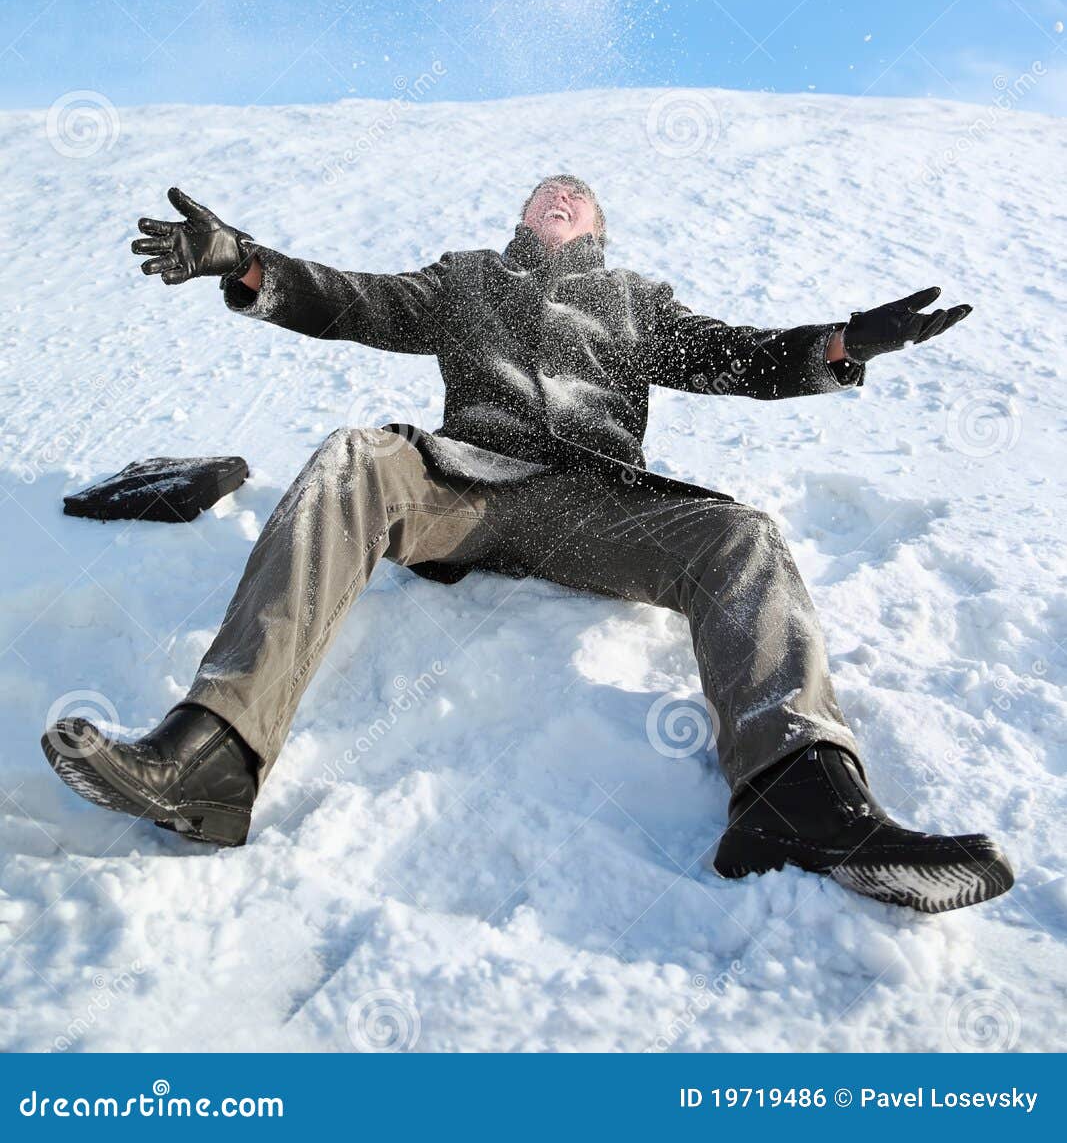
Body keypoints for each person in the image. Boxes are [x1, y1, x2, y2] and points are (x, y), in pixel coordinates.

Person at [43, 176, 1013, 914]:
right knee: (354, 457)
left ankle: (797, 796)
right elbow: (356, 301)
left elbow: (738, 357)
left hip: (598, 506)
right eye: (545, 191)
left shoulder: (637, 303)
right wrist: (249, 263)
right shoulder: (465, 279)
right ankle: (214, 750)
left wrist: (839, 345)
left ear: (597, 229)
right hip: (462, 487)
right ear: (522, 217)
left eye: (576, 196)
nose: (560, 194)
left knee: (741, 534)